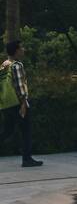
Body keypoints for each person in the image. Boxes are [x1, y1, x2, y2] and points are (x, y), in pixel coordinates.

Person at [0, 39, 43, 168]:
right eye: (21, 48)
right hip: (17, 103)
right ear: (16, 51)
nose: (23, 50)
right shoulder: (17, 65)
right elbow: (19, 86)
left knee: (7, 131)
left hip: (5, 103)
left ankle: (27, 158)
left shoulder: (4, 65)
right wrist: (24, 103)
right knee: (26, 130)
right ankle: (27, 159)